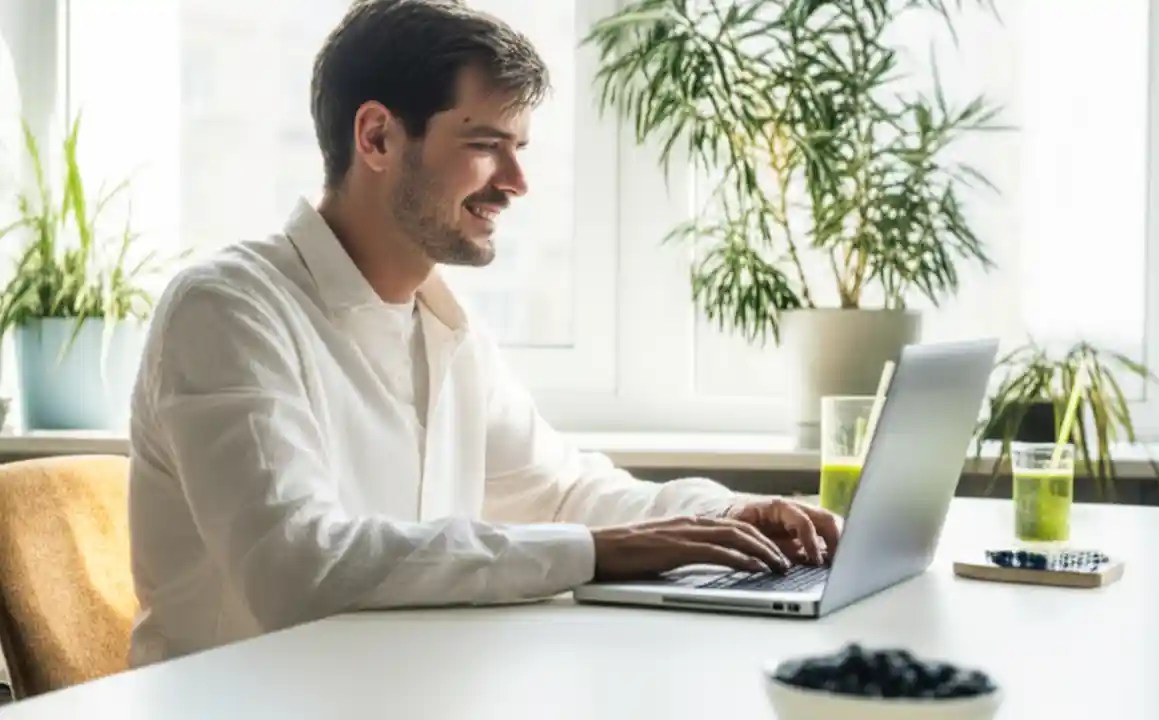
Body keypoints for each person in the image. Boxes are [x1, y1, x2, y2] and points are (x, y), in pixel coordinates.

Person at [127, 0, 840, 667]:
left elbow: (563, 492)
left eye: (520, 145)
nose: (517, 179)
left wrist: (728, 514)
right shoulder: (227, 310)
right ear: (376, 137)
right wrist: (594, 553)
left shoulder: (445, 329)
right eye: (486, 143)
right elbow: (299, 569)